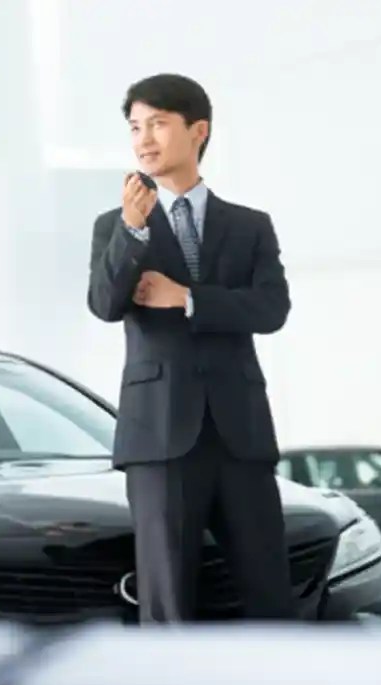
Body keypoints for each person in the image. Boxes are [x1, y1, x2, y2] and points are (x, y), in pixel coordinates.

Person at [86, 73, 293, 623]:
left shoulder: (250, 227)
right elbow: (105, 304)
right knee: (169, 602)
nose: (144, 139)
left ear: (198, 130)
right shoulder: (116, 226)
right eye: (135, 127)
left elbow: (272, 309)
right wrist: (131, 232)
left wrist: (189, 299)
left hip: (240, 432)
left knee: (269, 595)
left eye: (157, 123)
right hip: (158, 436)